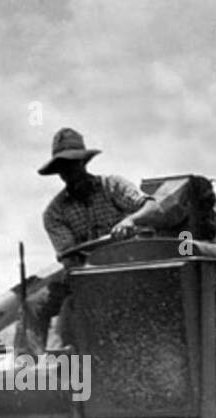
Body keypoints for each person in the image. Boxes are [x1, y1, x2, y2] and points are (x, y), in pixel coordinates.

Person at [29, 128, 164, 348]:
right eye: (63, 168)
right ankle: (34, 371)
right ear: (59, 173)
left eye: (73, 164)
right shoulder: (55, 213)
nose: (69, 173)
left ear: (84, 163)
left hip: (129, 268)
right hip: (86, 274)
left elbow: (153, 208)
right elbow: (70, 258)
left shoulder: (113, 187)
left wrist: (131, 221)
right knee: (35, 305)